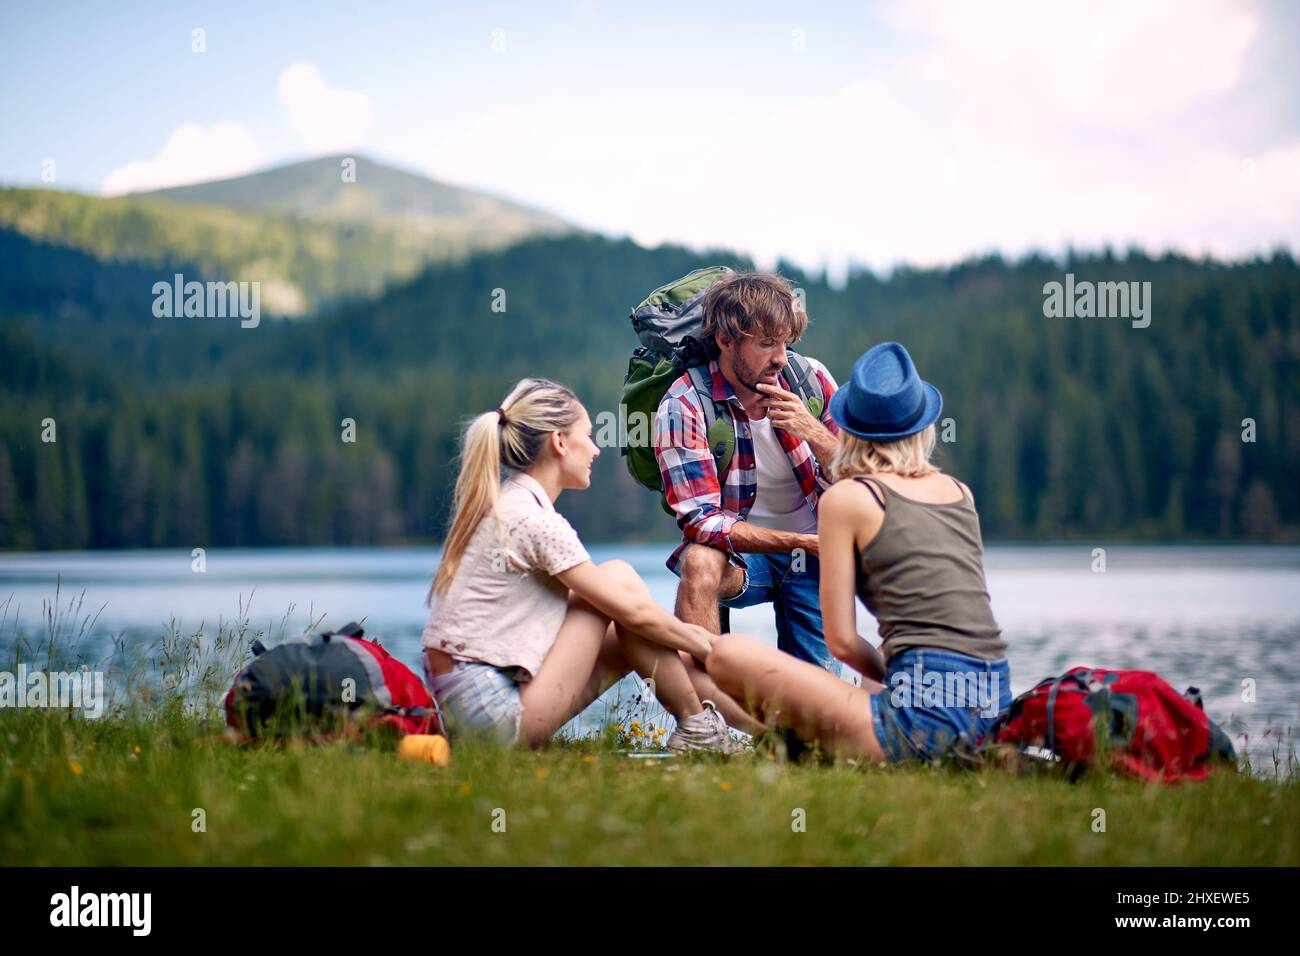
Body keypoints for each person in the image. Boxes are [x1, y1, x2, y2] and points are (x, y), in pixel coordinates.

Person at [705, 342, 1012, 763]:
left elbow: (844, 643)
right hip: (993, 704)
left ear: (848, 428)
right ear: (923, 428)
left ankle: (784, 744)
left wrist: (911, 687)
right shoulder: (960, 493)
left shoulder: (847, 499)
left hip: (918, 724)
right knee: (878, 674)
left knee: (726, 655)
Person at [422, 377, 746, 751]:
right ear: (559, 442)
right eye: (588, 436)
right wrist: (709, 645)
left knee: (627, 625)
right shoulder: (533, 521)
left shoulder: (510, 504)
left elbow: (630, 619)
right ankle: (704, 728)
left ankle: (739, 728)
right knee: (619, 581)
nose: (595, 450)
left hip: (471, 711)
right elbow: (634, 612)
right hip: (494, 715)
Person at [652, 272, 843, 731]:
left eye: (786, 342)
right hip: (746, 558)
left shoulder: (811, 381)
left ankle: (791, 733)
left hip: (813, 556)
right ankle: (705, 723)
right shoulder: (684, 405)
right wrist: (798, 542)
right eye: (765, 344)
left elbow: (863, 483)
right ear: (724, 340)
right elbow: (701, 522)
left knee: (816, 723)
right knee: (698, 562)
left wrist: (813, 432)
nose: (781, 357)